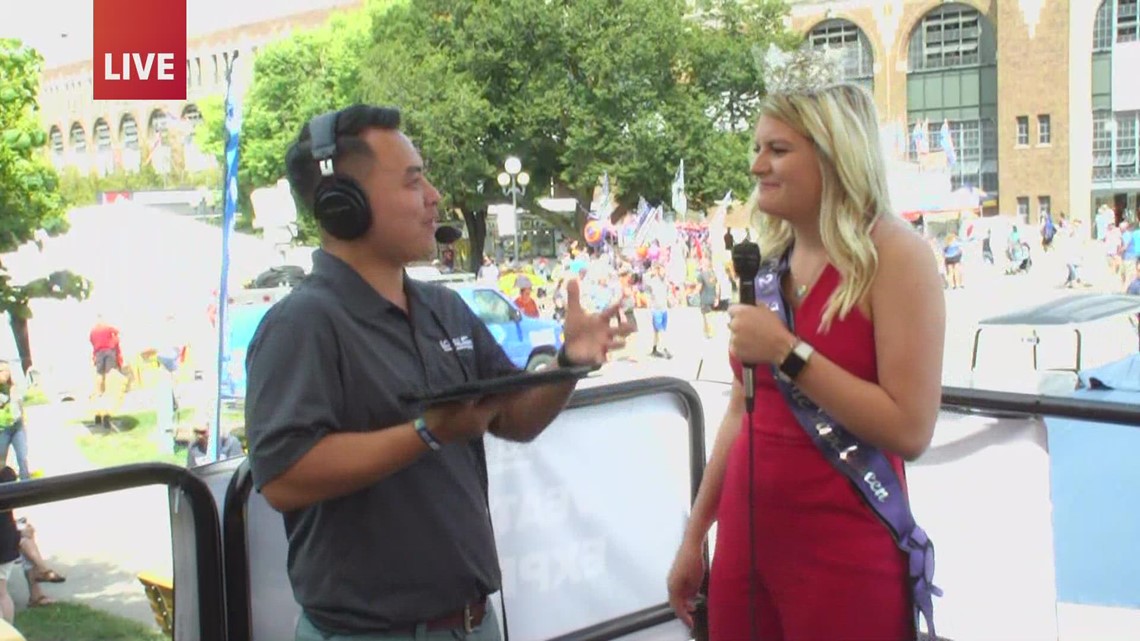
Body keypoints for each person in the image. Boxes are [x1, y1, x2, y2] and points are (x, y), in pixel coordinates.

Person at [245, 105, 629, 640]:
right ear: (344, 205)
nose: (434, 197)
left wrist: (567, 364)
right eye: (412, 181)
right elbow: (284, 476)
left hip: (473, 624)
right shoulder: (301, 325)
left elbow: (512, 419)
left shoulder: (442, 309)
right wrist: (426, 433)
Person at [667, 79, 946, 641]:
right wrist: (696, 535)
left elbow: (910, 428)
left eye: (778, 149)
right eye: (756, 149)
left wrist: (787, 353)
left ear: (832, 154)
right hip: (747, 550)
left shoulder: (896, 257)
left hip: (844, 552)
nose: (757, 166)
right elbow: (740, 412)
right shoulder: (769, 264)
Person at [0, 363, 30, 481]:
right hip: (2, 430)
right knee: (1, 460)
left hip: (17, 427)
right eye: (2, 371)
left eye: (7, 371)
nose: (4, 374)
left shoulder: (14, 388)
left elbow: (20, 407)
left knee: (22, 458)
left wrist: (24, 424)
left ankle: (26, 485)